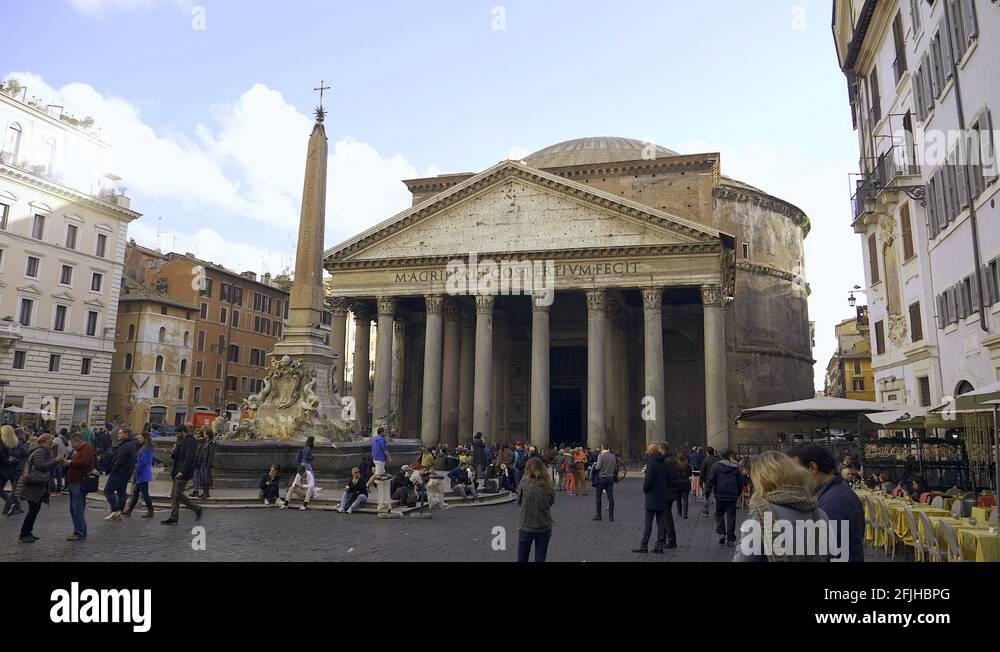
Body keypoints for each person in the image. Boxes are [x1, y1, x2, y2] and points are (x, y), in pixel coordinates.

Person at [734, 451, 830, 562]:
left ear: (760, 481)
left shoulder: (762, 513)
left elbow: (743, 558)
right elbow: (825, 555)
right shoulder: (819, 513)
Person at [788, 442, 865, 563]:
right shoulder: (837, 491)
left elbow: (831, 554)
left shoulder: (832, 502)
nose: (793, 479)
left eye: (795, 472)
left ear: (812, 468)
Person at [15, 434, 64, 543]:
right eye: (49, 441)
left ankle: (27, 532)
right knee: (33, 510)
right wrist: (55, 460)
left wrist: (56, 461)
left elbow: (48, 466)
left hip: (36, 485)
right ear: (42, 442)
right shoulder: (40, 451)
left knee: (34, 510)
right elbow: (41, 466)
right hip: (33, 485)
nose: (51, 443)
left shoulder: (44, 451)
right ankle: (24, 534)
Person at [632, 444, 672, 553]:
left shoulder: (651, 463)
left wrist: (645, 489)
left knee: (648, 522)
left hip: (652, 496)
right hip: (662, 496)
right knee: (660, 522)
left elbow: (648, 480)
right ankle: (659, 545)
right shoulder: (664, 462)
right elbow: (669, 480)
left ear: (650, 452)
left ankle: (644, 545)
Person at [705, 449, 748, 546]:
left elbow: (710, 480)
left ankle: (721, 533)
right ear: (729, 456)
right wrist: (739, 492)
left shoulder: (716, 466)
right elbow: (740, 481)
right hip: (732, 495)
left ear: (720, 455)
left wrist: (707, 494)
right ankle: (731, 539)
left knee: (719, 514)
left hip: (720, 494)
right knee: (731, 516)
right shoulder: (735, 467)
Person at [515, 457, 555, 562]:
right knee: (540, 558)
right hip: (544, 525)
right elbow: (551, 501)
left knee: (522, 558)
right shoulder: (548, 483)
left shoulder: (524, 481)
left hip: (526, 525)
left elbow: (518, 501)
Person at [162, 425, 203, 525]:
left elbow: (189, 458)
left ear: (183, 432)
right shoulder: (180, 440)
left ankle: (196, 508)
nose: (176, 435)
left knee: (177, 494)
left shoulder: (191, 441)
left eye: (177, 433)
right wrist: (171, 453)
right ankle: (174, 516)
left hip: (183, 472)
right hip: (177, 471)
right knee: (174, 495)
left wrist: (182, 471)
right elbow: (177, 455)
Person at [63, 433, 96, 541]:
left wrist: (70, 462)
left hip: (80, 482)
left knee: (77, 509)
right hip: (75, 482)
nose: (72, 446)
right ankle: (81, 530)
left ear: (78, 441)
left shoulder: (87, 449)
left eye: (73, 443)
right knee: (74, 509)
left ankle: (79, 532)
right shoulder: (81, 450)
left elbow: (84, 462)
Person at [103, 428, 137, 521]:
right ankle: (119, 512)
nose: (118, 435)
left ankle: (115, 509)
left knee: (108, 490)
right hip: (126, 474)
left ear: (126, 434)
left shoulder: (125, 446)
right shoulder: (132, 445)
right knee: (121, 493)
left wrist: (113, 470)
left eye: (120, 433)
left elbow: (119, 460)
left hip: (118, 473)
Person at [124, 431, 155, 518]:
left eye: (140, 438)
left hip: (142, 473)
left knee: (144, 493)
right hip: (144, 473)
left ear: (145, 439)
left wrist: (137, 469)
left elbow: (143, 462)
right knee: (136, 493)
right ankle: (129, 510)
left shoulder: (145, 449)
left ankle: (150, 511)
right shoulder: (147, 448)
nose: (139, 440)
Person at [1, 424, 27, 517]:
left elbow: (3, 457)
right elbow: (24, 453)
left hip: (8, 469)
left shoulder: (4, 442)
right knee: (14, 489)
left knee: (13, 489)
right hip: (14, 469)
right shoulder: (16, 442)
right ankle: (14, 506)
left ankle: (10, 505)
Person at [592, 443, 617, 521]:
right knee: (610, 497)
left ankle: (599, 515)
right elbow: (615, 468)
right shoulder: (613, 456)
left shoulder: (601, 456)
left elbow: (598, 466)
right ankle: (611, 516)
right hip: (610, 478)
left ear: (602, 448)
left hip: (602, 478)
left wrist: (595, 466)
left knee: (598, 496)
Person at [192, 429, 216, 499]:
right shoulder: (204, 442)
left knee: (206, 478)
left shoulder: (211, 443)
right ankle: (204, 492)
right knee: (203, 478)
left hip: (206, 463)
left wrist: (208, 464)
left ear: (208, 434)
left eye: (205, 433)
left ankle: (206, 493)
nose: (204, 434)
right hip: (202, 462)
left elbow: (211, 455)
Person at [700, 446, 719, 516]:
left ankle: (706, 510)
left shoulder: (705, 460)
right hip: (716, 480)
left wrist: (700, 482)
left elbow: (702, 472)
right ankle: (716, 512)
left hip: (707, 480)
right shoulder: (718, 460)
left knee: (706, 496)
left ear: (707, 453)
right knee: (716, 497)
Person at [51, 429, 70, 495]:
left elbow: (52, 447)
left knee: (52, 475)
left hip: (55, 459)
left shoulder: (57, 439)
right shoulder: (66, 441)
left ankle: (53, 490)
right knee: (59, 475)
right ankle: (59, 489)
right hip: (61, 458)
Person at [675, 451, 693, 519]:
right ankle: (685, 514)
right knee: (685, 499)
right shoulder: (688, 465)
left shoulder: (676, 465)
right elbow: (690, 474)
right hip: (686, 482)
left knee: (678, 499)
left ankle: (679, 512)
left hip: (678, 483)